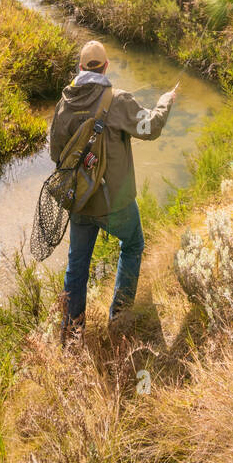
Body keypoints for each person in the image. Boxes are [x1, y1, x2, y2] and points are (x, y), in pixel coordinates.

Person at [50, 38, 178, 344]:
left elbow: (57, 155)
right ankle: (118, 319)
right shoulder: (118, 100)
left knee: (77, 265)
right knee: (132, 246)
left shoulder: (63, 105)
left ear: (79, 68)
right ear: (106, 66)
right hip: (116, 204)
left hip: (79, 202)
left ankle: (72, 333)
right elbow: (151, 129)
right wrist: (165, 101)